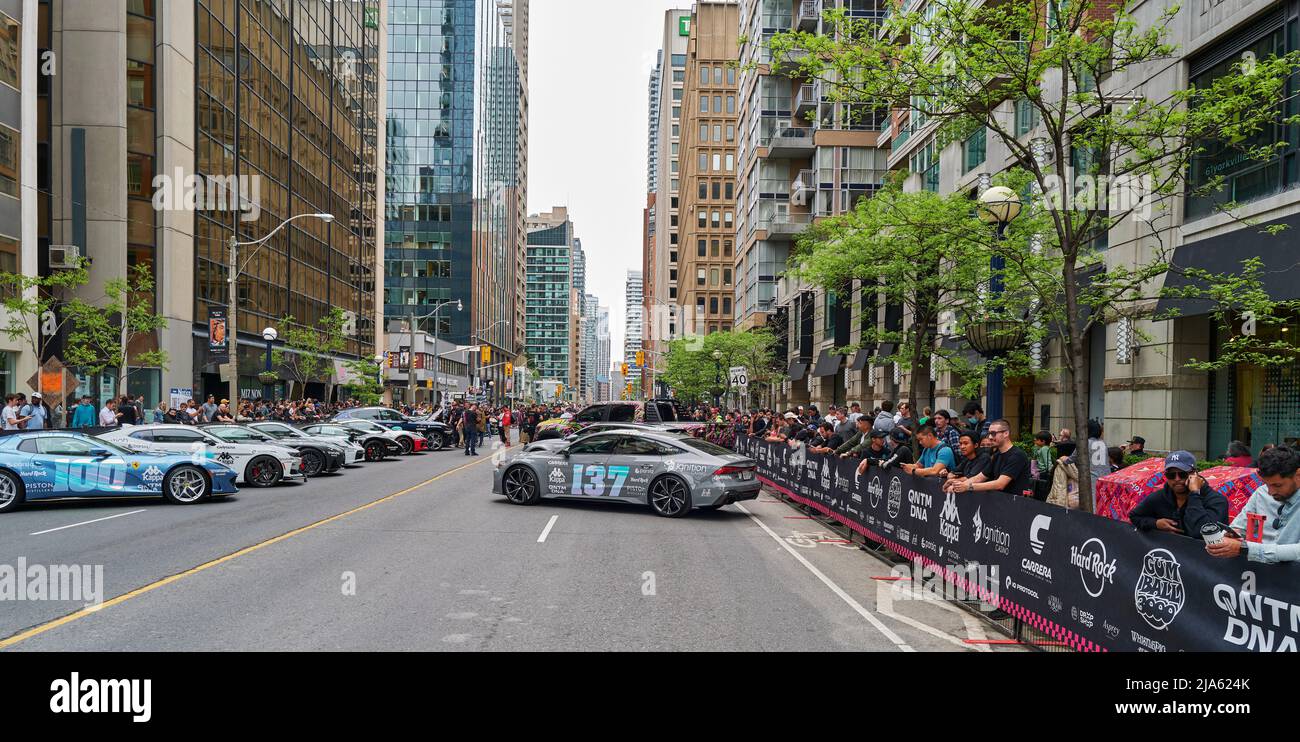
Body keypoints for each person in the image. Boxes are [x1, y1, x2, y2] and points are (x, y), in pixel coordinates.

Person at [1208, 446, 1300, 563]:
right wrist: (1230, 536)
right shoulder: (1261, 493)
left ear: (1298, 475)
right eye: (1266, 484)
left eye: (1277, 485)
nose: (1270, 492)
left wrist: (1247, 549)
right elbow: (1240, 526)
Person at [1129, 451, 1229, 539]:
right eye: (1171, 475)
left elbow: (1199, 531)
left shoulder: (1217, 500)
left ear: (1195, 474)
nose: (1177, 479)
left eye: (1182, 474)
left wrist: (1194, 493)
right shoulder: (1158, 497)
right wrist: (1155, 524)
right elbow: (1134, 516)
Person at [945, 419, 1033, 497]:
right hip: (999, 502)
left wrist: (968, 486)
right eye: (989, 433)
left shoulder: (1017, 455)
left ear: (1006, 433)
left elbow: (1000, 484)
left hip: (1015, 505)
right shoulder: (997, 455)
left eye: (993, 433)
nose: (990, 437)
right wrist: (958, 485)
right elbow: (980, 477)